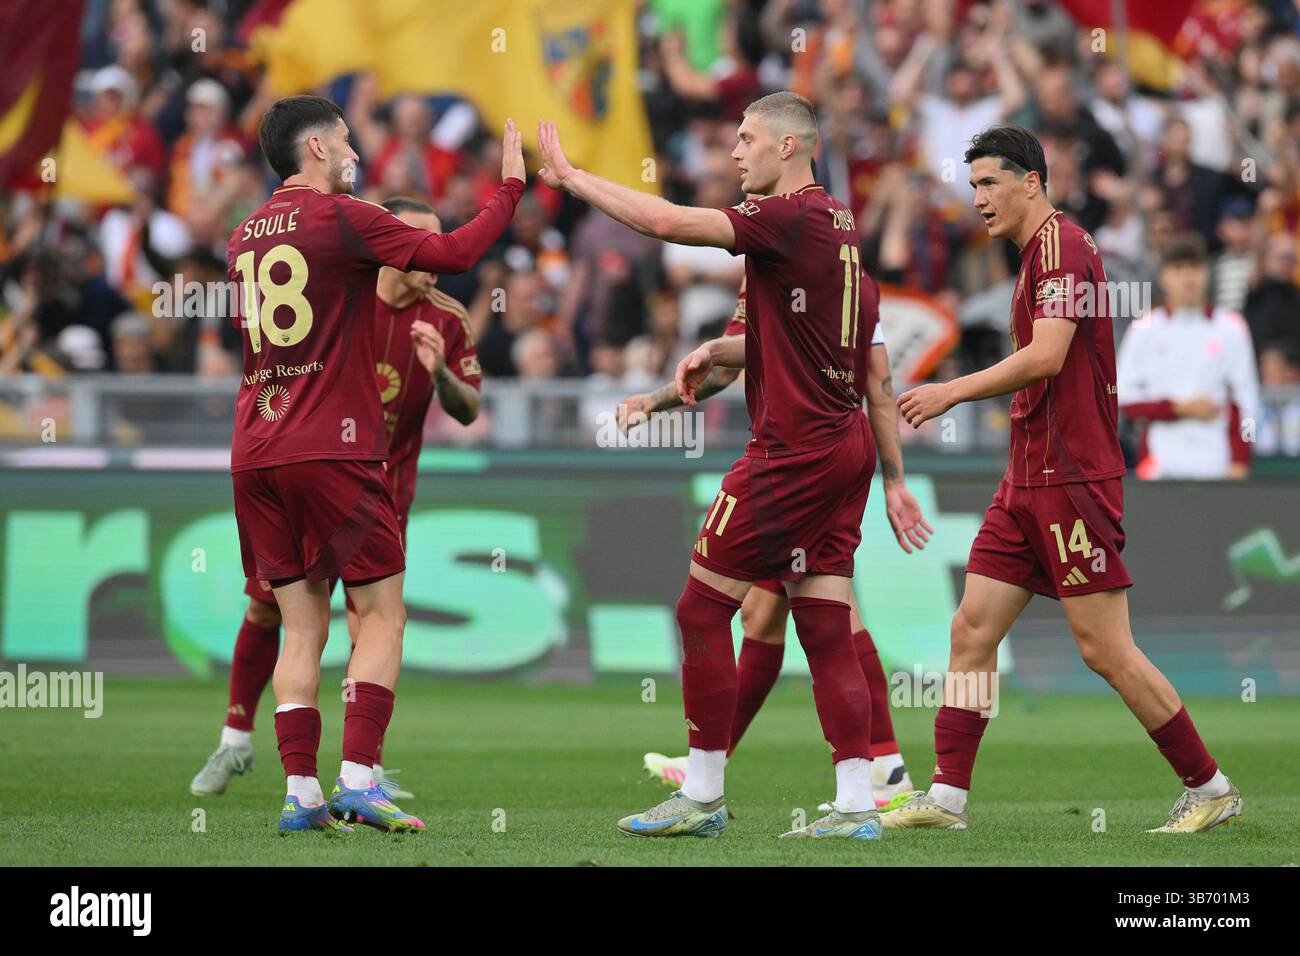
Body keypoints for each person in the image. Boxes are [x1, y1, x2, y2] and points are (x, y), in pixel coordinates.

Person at [538, 91, 931, 840]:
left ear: (789, 146)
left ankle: (705, 791)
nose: (734, 151)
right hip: (842, 443)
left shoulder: (782, 219)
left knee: (699, 608)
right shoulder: (838, 233)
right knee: (822, 621)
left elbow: (664, 223)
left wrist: (574, 177)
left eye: (747, 138)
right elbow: (822, 358)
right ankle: (856, 804)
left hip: (795, 451)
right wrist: (666, 395)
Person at [888, 126, 1241, 834]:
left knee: (1104, 649)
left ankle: (1210, 787)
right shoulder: (1034, 257)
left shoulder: (1065, 249)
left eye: (990, 183)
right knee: (971, 630)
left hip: (1071, 478)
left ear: (1031, 182)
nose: (978, 198)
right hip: (1026, 478)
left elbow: (1048, 356)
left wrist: (951, 391)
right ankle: (947, 799)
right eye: (973, 184)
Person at [227, 95, 522, 833]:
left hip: (256, 449)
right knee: (381, 614)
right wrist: (512, 186)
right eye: (350, 142)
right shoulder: (341, 217)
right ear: (318, 148)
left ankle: (301, 793)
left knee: (300, 628)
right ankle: (359, 778)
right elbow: (453, 255)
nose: (357, 154)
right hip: (334, 446)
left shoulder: (241, 238)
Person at [191, 198, 482, 802]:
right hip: (307, 471)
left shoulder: (448, 319)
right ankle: (236, 739)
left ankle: (356, 772)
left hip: (382, 488)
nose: (432, 263)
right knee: (271, 610)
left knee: (362, 622)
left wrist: (442, 375)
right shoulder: (338, 294)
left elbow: (469, 409)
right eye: (420, 249)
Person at [620, 280, 927, 809]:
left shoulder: (782, 261)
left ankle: (875, 768)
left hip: (794, 461)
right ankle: (875, 773)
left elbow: (734, 363)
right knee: (777, 616)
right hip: (839, 454)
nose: (743, 193)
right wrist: (893, 479)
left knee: (743, 612)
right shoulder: (846, 273)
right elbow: (872, 380)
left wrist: (659, 396)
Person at [1117, 235, 1259, 481]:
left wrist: (1241, 459)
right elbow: (1124, 398)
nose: (1187, 277)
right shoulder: (1145, 328)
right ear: (1164, 276)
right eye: (1178, 268)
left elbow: (1248, 404)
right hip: (1159, 466)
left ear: (1206, 272)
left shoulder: (1232, 327)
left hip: (1218, 466)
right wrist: (1178, 409)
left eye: (1194, 267)